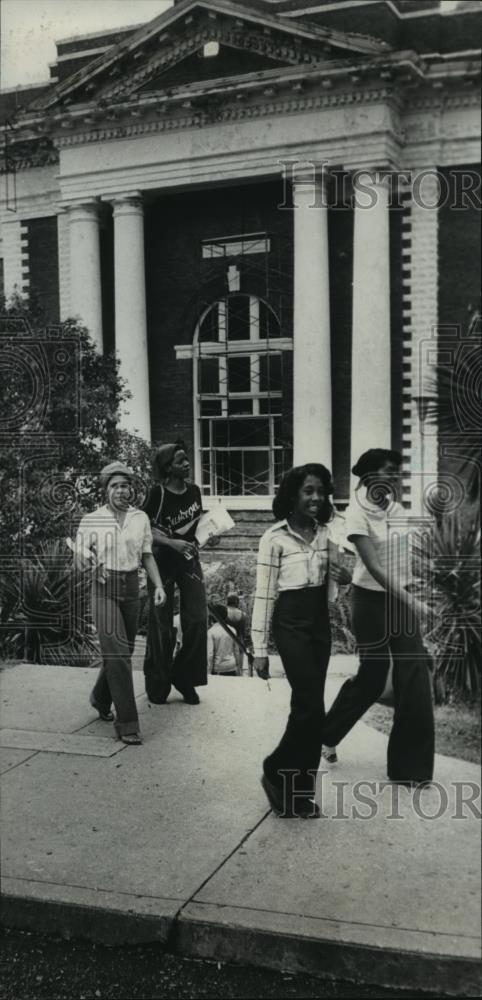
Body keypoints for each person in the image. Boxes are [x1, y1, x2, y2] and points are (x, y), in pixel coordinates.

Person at [322, 449, 435, 785]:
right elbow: (374, 567)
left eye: (396, 471)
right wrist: (413, 603)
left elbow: (405, 555)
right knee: (373, 677)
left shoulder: (395, 507)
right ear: (368, 474)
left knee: (414, 673)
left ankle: (410, 770)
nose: (394, 476)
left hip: (400, 600)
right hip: (370, 602)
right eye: (388, 470)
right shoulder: (356, 513)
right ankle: (326, 732)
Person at [251, 463, 350, 819]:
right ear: (293, 494)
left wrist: (346, 577)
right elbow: (263, 596)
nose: (316, 498)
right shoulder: (274, 538)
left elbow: (334, 591)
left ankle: (298, 792)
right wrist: (259, 650)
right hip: (289, 623)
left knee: (308, 707)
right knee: (310, 706)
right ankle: (276, 768)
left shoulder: (327, 534)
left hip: (318, 624)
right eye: (309, 491)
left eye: (321, 492)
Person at [76, 462, 166, 746]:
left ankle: (100, 697)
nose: (120, 490)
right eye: (114, 486)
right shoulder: (92, 519)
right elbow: (79, 558)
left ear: (131, 489)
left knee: (123, 651)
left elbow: (147, 555)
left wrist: (159, 586)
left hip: (131, 587)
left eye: (125, 485)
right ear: (105, 490)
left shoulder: (140, 518)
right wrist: (88, 563)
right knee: (117, 655)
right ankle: (127, 723)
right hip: (103, 588)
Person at [143, 441, 208, 705]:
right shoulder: (156, 494)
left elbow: (195, 527)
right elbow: (143, 531)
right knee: (162, 625)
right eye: (181, 461)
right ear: (168, 467)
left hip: (188, 560)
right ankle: (158, 683)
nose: (187, 464)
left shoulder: (194, 491)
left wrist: (206, 536)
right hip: (161, 563)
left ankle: (184, 676)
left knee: (197, 619)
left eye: (186, 459)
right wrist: (171, 543)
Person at [207, 604, 240, 676]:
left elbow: (210, 654)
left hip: (218, 668)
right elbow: (236, 651)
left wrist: (208, 672)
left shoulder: (211, 632)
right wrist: (238, 667)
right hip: (231, 666)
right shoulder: (232, 630)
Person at [226, 592, 252, 674]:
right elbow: (245, 632)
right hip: (239, 641)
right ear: (237, 602)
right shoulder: (243, 614)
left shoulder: (223, 612)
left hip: (226, 641)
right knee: (239, 667)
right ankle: (239, 672)